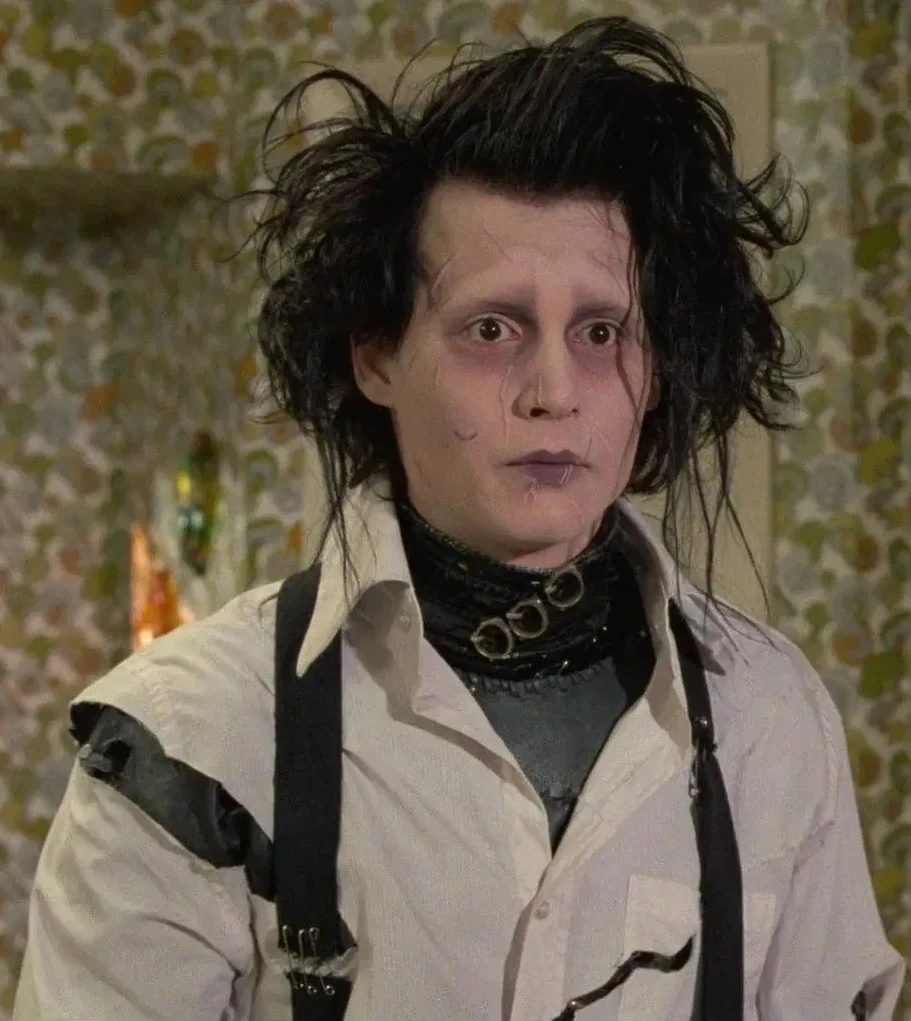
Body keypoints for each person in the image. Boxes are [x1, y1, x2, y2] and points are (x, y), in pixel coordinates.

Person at [13, 16, 904, 1021]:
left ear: (656, 367)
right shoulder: (193, 741)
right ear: (375, 354)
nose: (552, 392)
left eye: (601, 330)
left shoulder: (768, 718)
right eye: (491, 327)